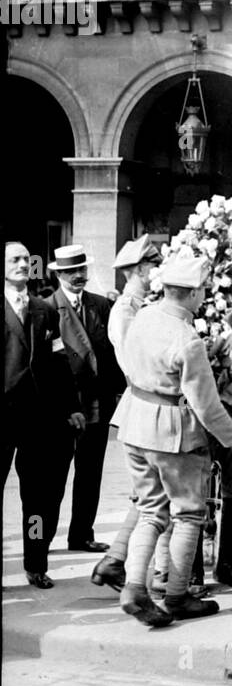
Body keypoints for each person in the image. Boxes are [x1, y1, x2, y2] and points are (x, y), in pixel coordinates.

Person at [114, 254, 232, 627]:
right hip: (173, 432)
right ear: (192, 294)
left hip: (135, 424)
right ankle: (177, 596)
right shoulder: (187, 339)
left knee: (150, 510)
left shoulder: (143, 317)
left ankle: (134, 588)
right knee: (189, 513)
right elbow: (207, 407)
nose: (204, 296)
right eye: (202, 291)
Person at [3, 241, 85, 587]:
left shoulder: (44, 310)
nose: (23, 264)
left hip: (38, 418)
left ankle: (36, 562)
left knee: (38, 495)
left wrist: (71, 407)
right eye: (14, 260)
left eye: (26, 259)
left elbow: (59, 363)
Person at [92, 237, 166, 592]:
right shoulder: (124, 312)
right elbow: (133, 365)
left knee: (151, 494)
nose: (156, 272)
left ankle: (115, 563)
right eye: (153, 267)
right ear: (138, 269)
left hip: (148, 409)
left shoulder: (145, 306)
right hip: (141, 406)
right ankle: (126, 567)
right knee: (152, 495)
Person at [48, 245, 125, 554]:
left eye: (81, 269)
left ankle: (81, 534)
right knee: (54, 475)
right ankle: (42, 538)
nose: (78, 276)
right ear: (59, 274)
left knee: (90, 472)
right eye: (70, 271)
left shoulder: (101, 305)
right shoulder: (47, 308)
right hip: (64, 406)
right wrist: (62, 405)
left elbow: (111, 352)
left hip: (98, 402)